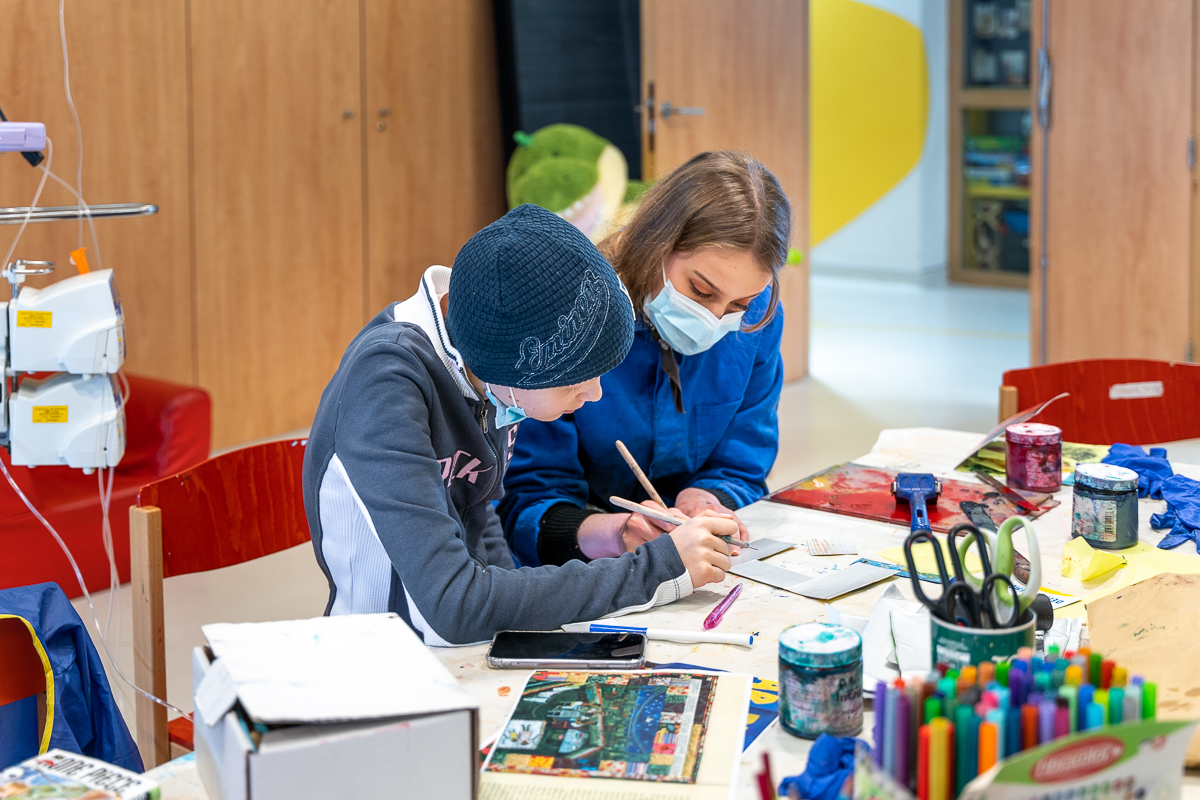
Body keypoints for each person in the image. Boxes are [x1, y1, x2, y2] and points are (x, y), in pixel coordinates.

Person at [302, 204, 737, 646]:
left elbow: (478, 513)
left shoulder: (487, 372)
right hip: (385, 660)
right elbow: (456, 605)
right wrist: (657, 568)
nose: (595, 395)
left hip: (465, 651)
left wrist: (612, 540)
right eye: (578, 379)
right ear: (511, 363)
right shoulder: (384, 383)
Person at [499, 151, 790, 567]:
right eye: (701, 291)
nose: (713, 321)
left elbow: (742, 463)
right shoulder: (567, 315)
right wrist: (618, 534)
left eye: (737, 304)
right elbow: (528, 506)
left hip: (698, 560)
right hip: (578, 566)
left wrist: (706, 499)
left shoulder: (757, 320)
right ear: (657, 243)